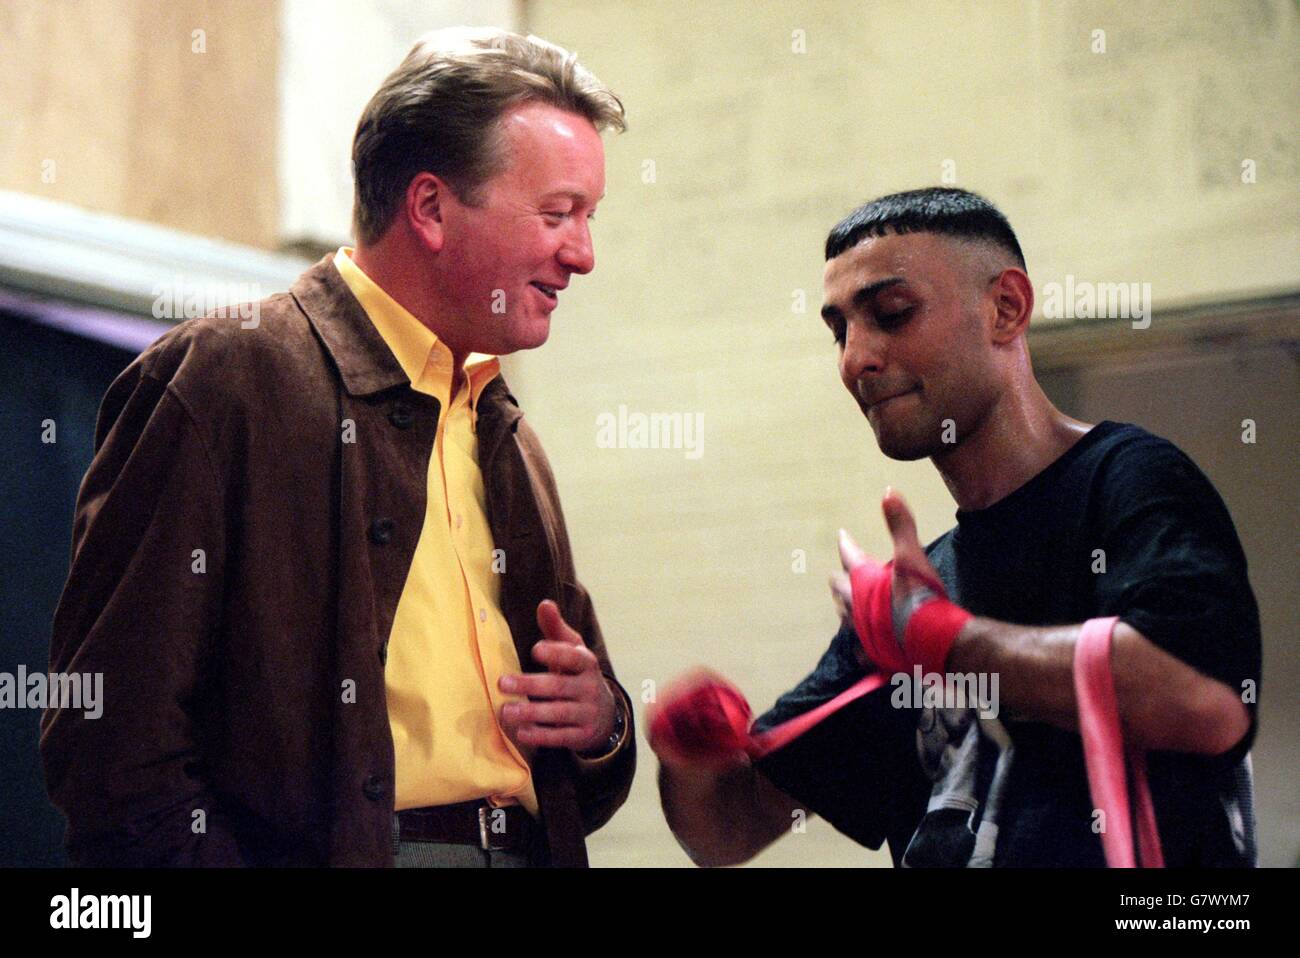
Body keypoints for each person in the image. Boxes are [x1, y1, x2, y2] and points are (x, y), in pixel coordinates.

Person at [41, 27, 635, 868]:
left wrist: (601, 724)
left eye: (589, 218)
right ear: (429, 208)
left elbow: (587, 782)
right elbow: (110, 743)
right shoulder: (224, 378)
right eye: (558, 214)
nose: (583, 254)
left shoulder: (505, 428)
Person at [652, 187, 1261, 867]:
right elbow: (729, 829)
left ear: (1006, 308)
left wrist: (946, 643)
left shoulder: (1129, 479)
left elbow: (1206, 703)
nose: (856, 359)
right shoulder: (916, 595)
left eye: (891, 313)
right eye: (839, 331)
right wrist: (685, 752)